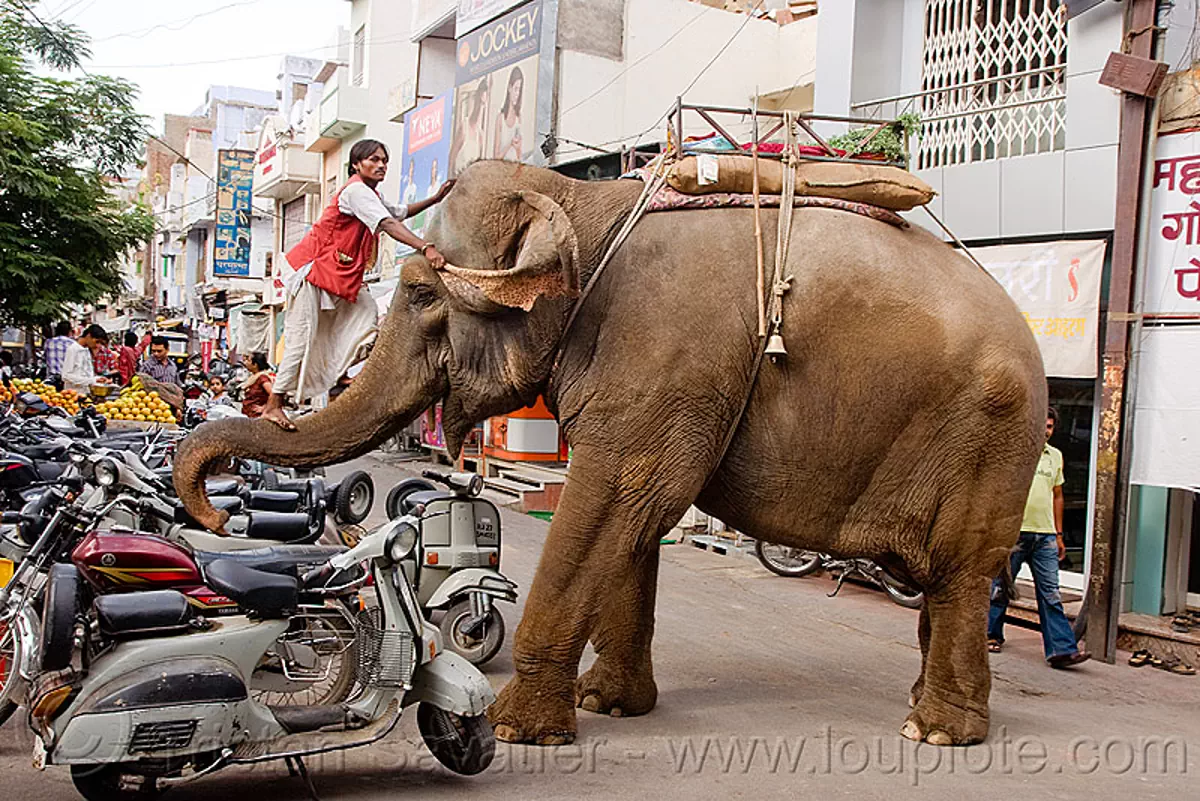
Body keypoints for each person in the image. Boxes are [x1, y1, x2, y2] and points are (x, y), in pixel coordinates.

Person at [262, 138, 455, 430]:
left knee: (368, 321)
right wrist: (425, 247)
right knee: (301, 339)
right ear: (356, 164)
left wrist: (435, 199)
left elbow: (398, 212)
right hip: (313, 271)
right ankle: (273, 405)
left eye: (384, 161)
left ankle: (340, 376)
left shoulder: (370, 195)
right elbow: (388, 224)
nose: (380, 165)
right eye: (373, 160)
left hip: (341, 278)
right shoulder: (355, 191)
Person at [987, 407, 1090, 668]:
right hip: (1014, 533)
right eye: (1042, 424)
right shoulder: (1014, 453)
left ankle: (1061, 650)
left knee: (1051, 593)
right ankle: (990, 635)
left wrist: (1058, 534)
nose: (1046, 430)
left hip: (1044, 536)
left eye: (1050, 427)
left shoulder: (1055, 457)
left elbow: (1057, 495)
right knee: (999, 590)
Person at [61, 324, 111, 395]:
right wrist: (91, 380)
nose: (98, 346)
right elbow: (66, 376)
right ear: (88, 336)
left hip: (86, 393)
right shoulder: (73, 350)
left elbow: (87, 373)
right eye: (97, 342)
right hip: (73, 394)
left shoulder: (86, 350)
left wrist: (97, 379)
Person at [492, 66, 525, 160]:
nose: (517, 94)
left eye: (519, 90)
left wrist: (518, 148)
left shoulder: (519, 118)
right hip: (502, 171)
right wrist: (509, 145)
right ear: (509, 88)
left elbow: (519, 158)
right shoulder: (500, 118)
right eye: (515, 89)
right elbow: (496, 157)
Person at [241, 352, 274, 418]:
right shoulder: (253, 377)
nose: (246, 363)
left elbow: (273, 394)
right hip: (248, 415)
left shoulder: (263, 378)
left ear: (255, 365)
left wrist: (264, 407)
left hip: (257, 417)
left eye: (249, 360)